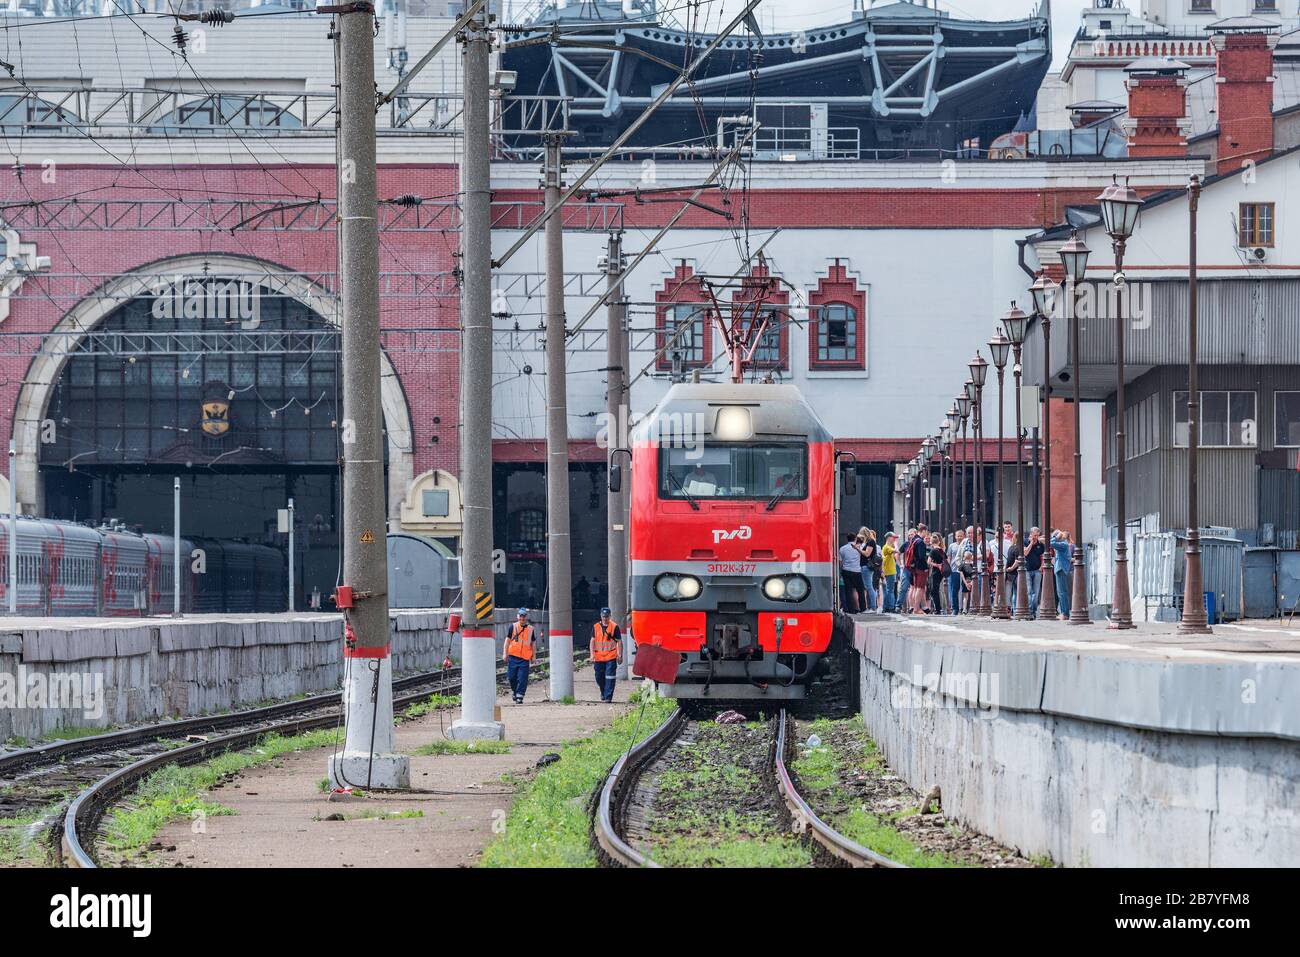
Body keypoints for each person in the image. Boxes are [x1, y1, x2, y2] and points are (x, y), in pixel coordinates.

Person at [589, 607, 624, 702]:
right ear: (601, 616)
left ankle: (608, 697)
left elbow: (619, 642)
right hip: (599, 657)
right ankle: (603, 691)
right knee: (599, 677)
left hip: (611, 656)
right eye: (604, 616)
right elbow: (592, 641)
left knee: (610, 677)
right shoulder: (596, 627)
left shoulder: (614, 627)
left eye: (607, 616)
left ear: (610, 616)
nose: (605, 618)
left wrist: (620, 655)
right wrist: (592, 655)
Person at [504, 607, 537, 704]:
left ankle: (520, 695)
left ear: (526, 617)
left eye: (524, 616)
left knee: (522, 678)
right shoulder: (513, 627)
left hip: (524, 658)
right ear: (518, 616)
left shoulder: (531, 629)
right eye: (521, 616)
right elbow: (507, 641)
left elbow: (533, 643)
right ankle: (515, 691)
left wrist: (534, 656)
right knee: (511, 677)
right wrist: (505, 653)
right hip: (513, 656)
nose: (522, 618)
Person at [906, 524, 931, 613]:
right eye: (926, 532)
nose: (926, 534)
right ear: (923, 531)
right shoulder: (920, 542)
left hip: (914, 568)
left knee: (916, 588)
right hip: (921, 568)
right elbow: (921, 557)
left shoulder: (913, 540)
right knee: (920, 588)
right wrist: (926, 567)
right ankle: (916, 609)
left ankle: (919, 607)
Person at [839, 533, 865, 613]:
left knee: (848, 591)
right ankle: (862, 608)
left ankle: (850, 609)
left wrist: (841, 571)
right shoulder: (859, 547)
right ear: (855, 539)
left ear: (847, 539)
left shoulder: (842, 548)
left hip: (846, 571)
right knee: (860, 590)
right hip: (857, 571)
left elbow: (840, 562)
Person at [1051, 529, 1073, 620]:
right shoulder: (1063, 544)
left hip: (1061, 569)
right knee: (1061, 592)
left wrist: (1055, 537)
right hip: (1061, 569)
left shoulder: (1063, 544)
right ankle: (1064, 612)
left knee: (1062, 592)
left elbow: (1051, 543)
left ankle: (1065, 613)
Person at [1024, 527, 1046, 616]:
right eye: (1034, 535)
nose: (1036, 537)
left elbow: (1043, 556)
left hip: (1037, 571)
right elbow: (1025, 553)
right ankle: (1029, 611)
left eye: (1037, 535)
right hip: (1027, 570)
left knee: (1036, 592)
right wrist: (1031, 544)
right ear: (1031, 534)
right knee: (1029, 591)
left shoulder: (1040, 545)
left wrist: (1041, 567)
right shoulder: (1025, 541)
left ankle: (1033, 611)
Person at [858, 528, 880, 613]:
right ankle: (872, 607)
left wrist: (858, 549)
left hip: (867, 566)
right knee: (868, 587)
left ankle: (873, 607)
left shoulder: (870, 542)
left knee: (869, 587)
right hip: (866, 566)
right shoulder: (869, 542)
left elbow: (867, 554)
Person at [946, 529, 966, 615]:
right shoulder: (952, 546)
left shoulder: (966, 545)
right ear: (955, 536)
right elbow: (949, 557)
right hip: (954, 570)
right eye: (958, 536)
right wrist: (948, 567)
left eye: (961, 536)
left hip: (965, 570)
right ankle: (955, 608)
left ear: (963, 536)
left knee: (965, 590)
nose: (959, 537)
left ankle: (965, 608)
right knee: (954, 589)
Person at [927, 533, 947, 614]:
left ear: (931, 542)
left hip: (935, 571)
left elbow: (928, 562)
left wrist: (936, 565)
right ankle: (939, 608)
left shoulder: (933, 550)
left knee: (933, 590)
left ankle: (938, 609)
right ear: (939, 542)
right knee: (936, 589)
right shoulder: (941, 550)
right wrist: (941, 565)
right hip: (941, 572)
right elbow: (947, 560)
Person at [1005, 532, 1023, 610]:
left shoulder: (1011, 547)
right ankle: (1015, 609)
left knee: (1009, 591)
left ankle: (1010, 608)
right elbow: (1017, 561)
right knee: (1016, 592)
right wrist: (1012, 568)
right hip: (1015, 572)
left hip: (1009, 572)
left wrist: (1009, 568)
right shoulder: (1018, 548)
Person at [881, 532, 899, 613]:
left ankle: (886, 607)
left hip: (888, 572)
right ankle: (891, 607)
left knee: (888, 590)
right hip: (890, 572)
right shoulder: (886, 547)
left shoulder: (886, 547)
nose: (895, 539)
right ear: (889, 538)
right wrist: (896, 544)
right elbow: (896, 551)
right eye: (893, 537)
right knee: (890, 590)